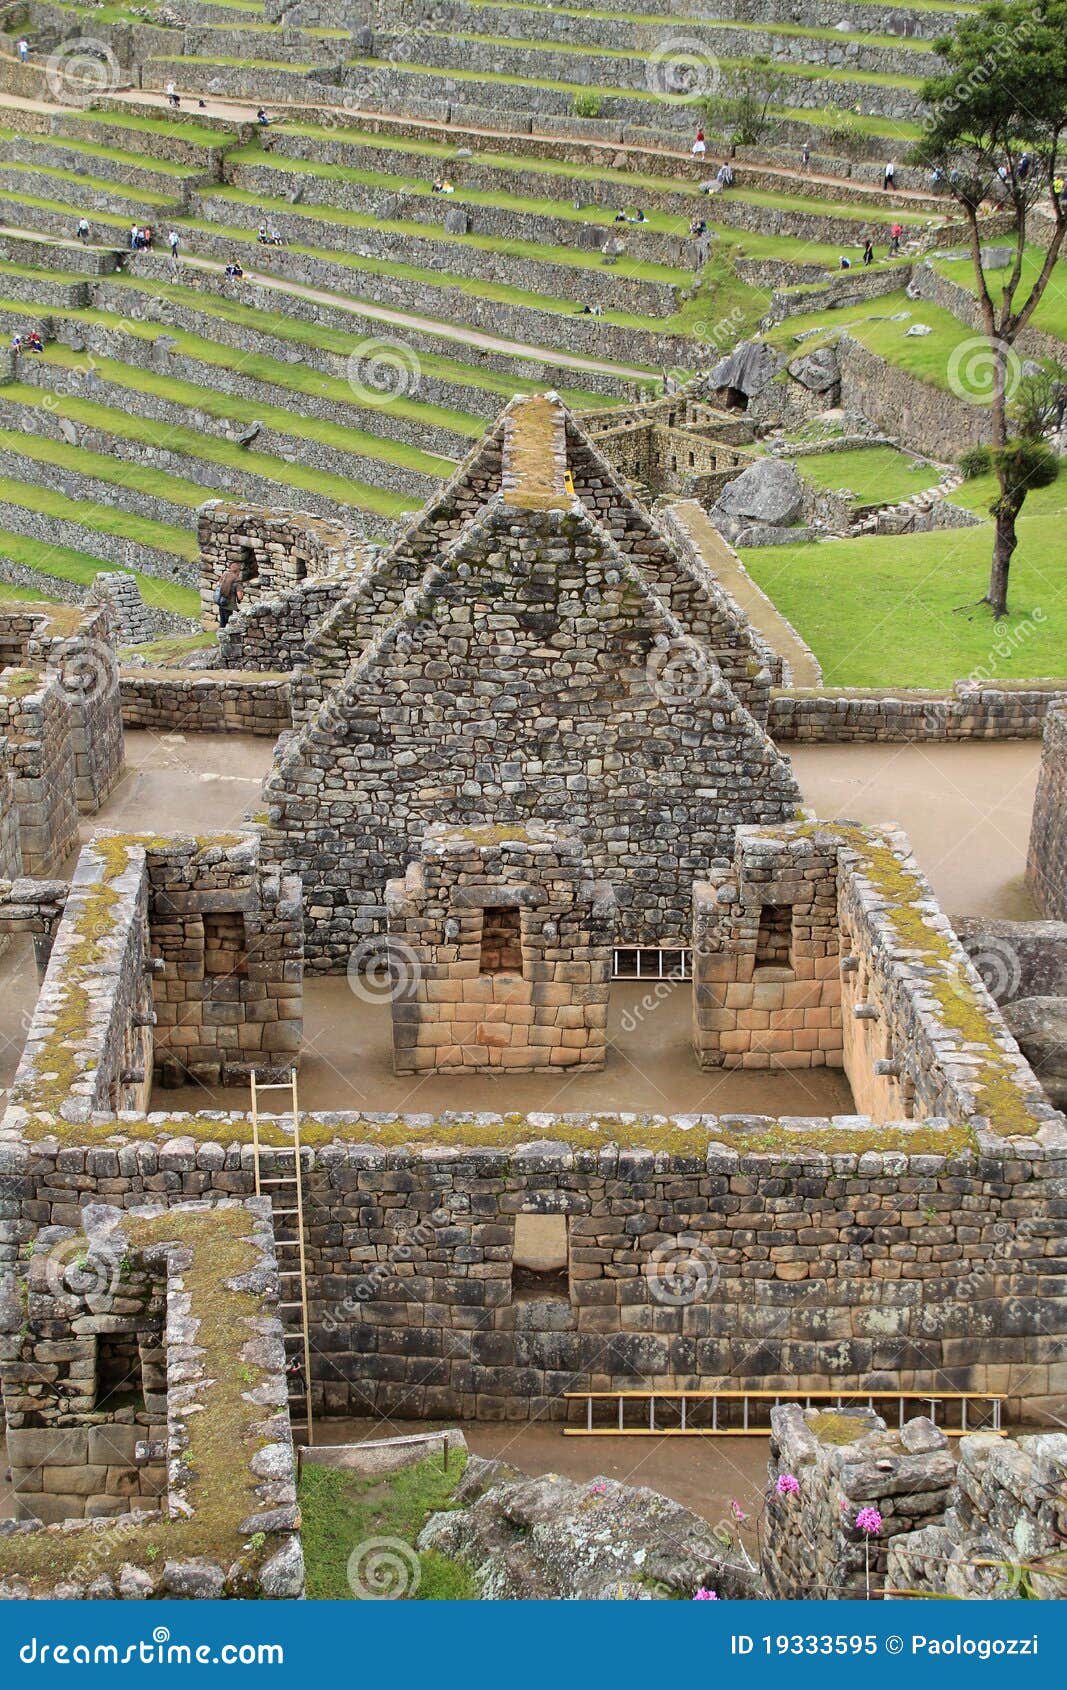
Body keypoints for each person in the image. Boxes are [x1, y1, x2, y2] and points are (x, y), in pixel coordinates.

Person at [215, 562, 243, 629]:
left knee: (222, 623)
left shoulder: (225, 576)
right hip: (230, 607)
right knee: (231, 625)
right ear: (238, 571)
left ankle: (220, 637)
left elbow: (218, 585)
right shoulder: (237, 581)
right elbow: (240, 597)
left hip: (221, 603)